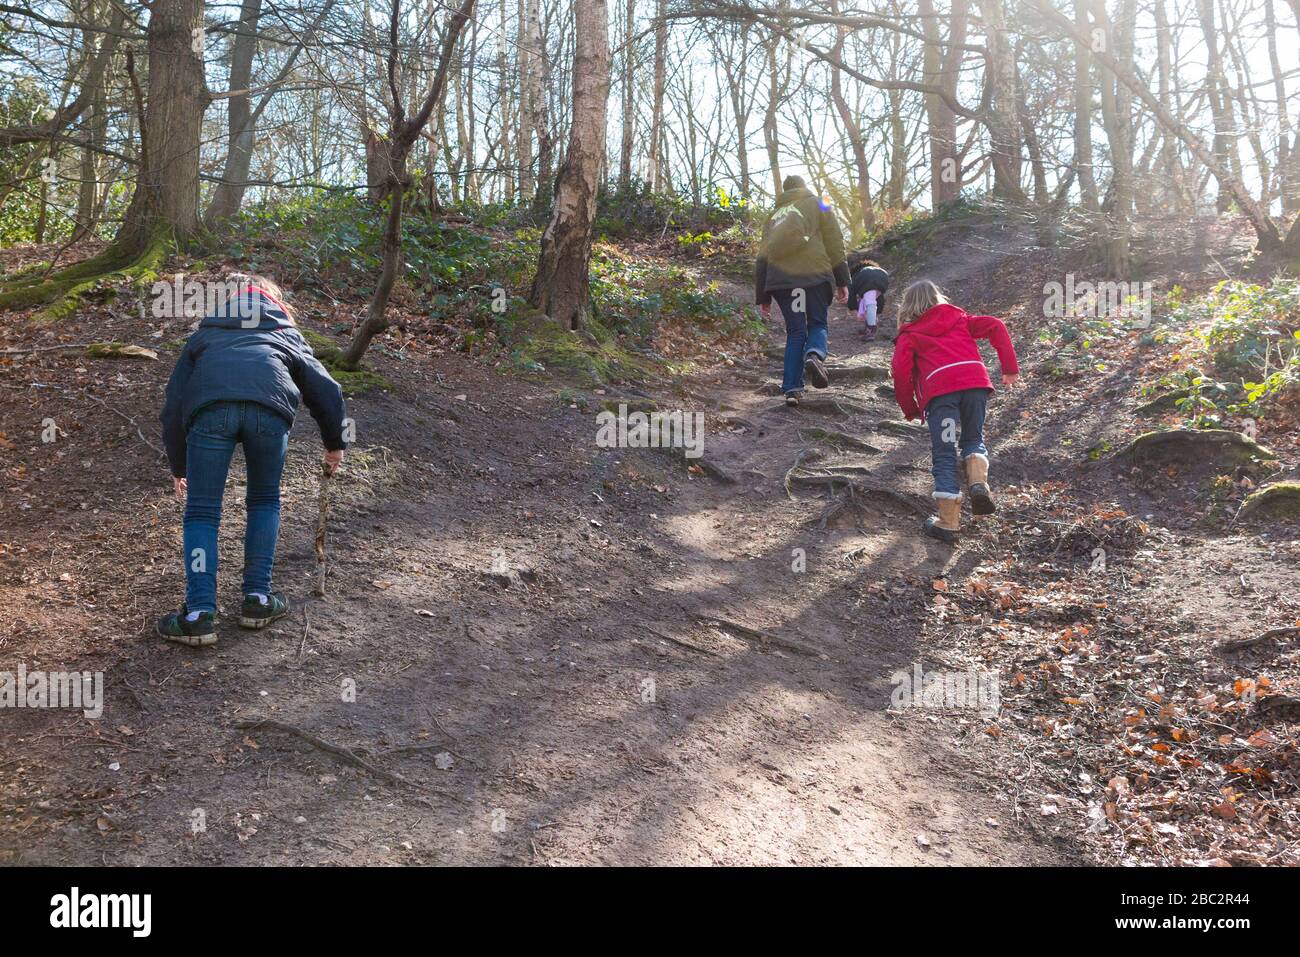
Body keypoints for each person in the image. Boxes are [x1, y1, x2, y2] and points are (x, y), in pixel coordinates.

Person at [157, 275, 349, 646]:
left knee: (201, 512)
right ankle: (258, 600)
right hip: (268, 415)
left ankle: (198, 614)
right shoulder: (285, 333)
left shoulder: (206, 334)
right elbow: (327, 389)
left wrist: (179, 466)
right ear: (275, 301)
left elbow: (173, 404)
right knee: (264, 500)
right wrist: (334, 442)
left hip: (210, 414)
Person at [889, 280, 1019, 543]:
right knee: (973, 439)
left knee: (945, 450)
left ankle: (948, 522)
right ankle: (977, 483)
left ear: (908, 306)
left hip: (941, 395)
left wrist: (911, 408)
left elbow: (901, 373)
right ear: (939, 297)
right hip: (974, 385)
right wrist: (1009, 368)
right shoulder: (959, 318)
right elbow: (995, 325)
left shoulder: (910, 334)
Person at [754, 175, 850, 406]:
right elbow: (835, 240)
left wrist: (763, 296)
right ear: (804, 187)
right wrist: (842, 279)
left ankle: (792, 389)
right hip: (814, 275)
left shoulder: (773, 215)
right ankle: (815, 354)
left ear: (785, 191)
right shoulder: (821, 201)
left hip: (783, 281)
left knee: (796, 332)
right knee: (817, 323)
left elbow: (762, 257)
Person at [848, 258, 890, 340]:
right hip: (884, 276)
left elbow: (851, 293)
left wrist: (852, 306)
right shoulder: (874, 270)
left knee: (870, 304)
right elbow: (880, 299)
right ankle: (868, 327)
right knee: (870, 302)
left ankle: (871, 331)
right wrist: (879, 310)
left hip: (867, 280)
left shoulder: (856, 275)